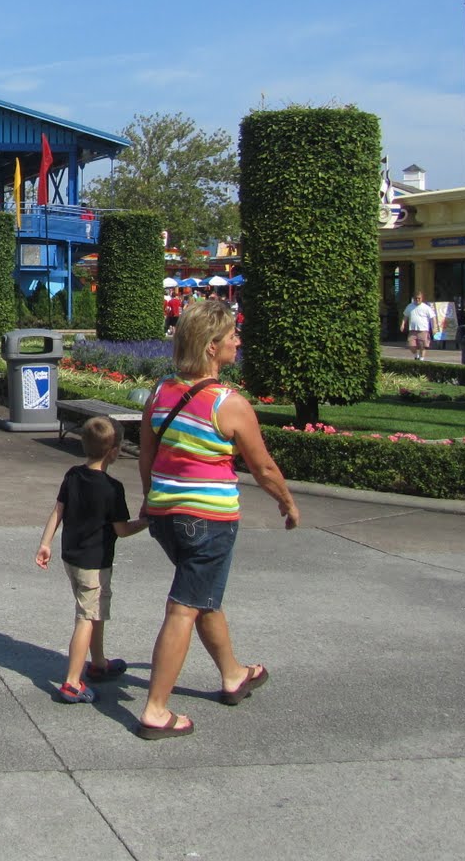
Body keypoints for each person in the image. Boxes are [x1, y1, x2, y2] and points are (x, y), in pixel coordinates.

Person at [135, 299, 299, 740]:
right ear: (211, 347)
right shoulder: (229, 404)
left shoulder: (161, 391)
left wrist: (153, 500)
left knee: (200, 591)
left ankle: (233, 674)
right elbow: (262, 467)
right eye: (231, 336)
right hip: (208, 521)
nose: (237, 341)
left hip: (166, 518)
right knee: (183, 606)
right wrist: (286, 502)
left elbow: (146, 455)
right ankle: (155, 709)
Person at [35, 415, 150, 703]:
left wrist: (45, 543)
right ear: (114, 451)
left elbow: (58, 510)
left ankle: (98, 662)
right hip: (94, 563)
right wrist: (148, 521)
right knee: (86, 617)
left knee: (95, 609)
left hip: (71, 557)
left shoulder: (73, 474)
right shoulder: (112, 488)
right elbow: (122, 530)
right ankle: (72, 682)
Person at [402, 291, 437, 362]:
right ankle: (416, 355)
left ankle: (421, 359)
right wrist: (402, 324)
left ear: (422, 298)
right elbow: (405, 316)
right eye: (416, 298)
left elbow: (433, 318)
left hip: (423, 330)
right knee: (411, 345)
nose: (417, 300)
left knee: (422, 346)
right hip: (412, 330)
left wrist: (434, 328)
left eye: (419, 298)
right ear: (413, 298)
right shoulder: (410, 306)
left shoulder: (426, 307)